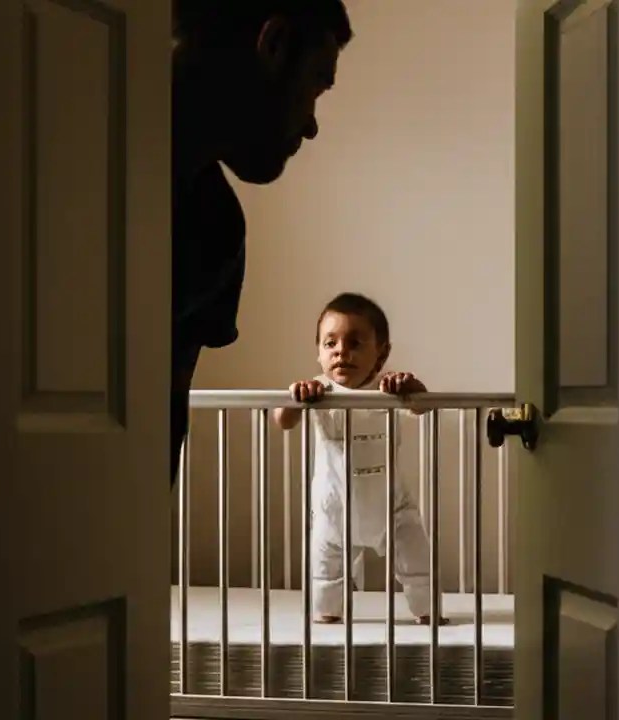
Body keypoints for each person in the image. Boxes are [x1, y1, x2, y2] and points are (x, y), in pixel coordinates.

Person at [170, 0, 354, 484]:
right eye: (316, 81)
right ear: (273, 45)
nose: (312, 124)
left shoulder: (216, 230)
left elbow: (154, 437)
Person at [272, 293, 447, 625]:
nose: (341, 351)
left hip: (392, 507)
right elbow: (282, 420)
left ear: (381, 354)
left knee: (419, 561)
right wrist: (294, 398)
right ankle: (328, 618)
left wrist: (413, 387)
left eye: (355, 343)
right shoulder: (317, 391)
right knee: (325, 585)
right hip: (334, 510)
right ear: (319, 353)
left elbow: (423, 405)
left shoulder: (391, 388)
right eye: (330, 343)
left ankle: (428, 615)